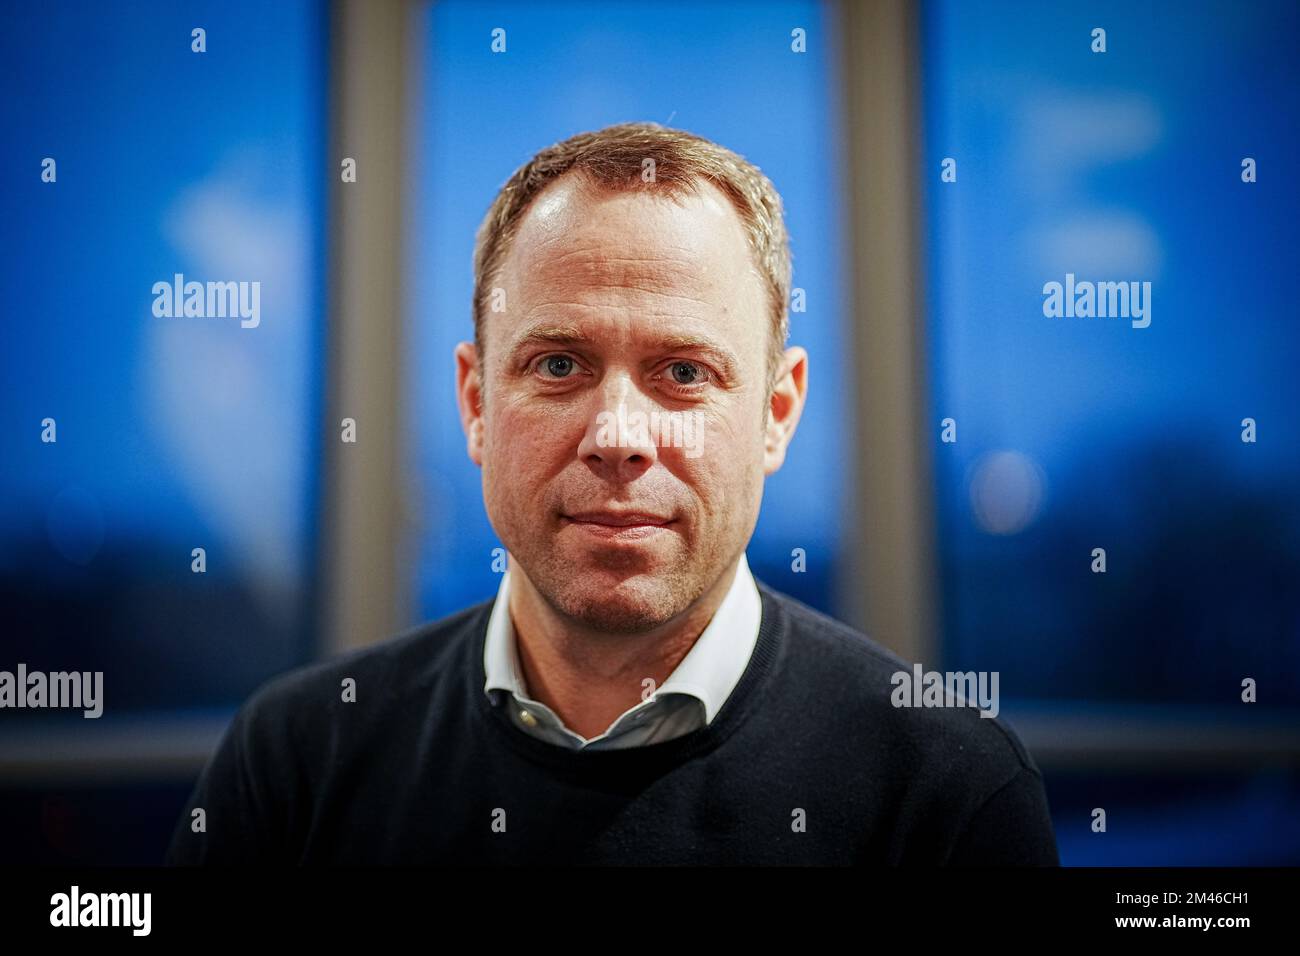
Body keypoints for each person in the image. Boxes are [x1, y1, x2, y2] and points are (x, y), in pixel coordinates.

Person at [166, 122, 1058, 865]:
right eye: (559, 365)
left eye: (682, 371)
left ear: (776, 413)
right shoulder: (295, 762)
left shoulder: (948, 793)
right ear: (477, 404)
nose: (619, 437)